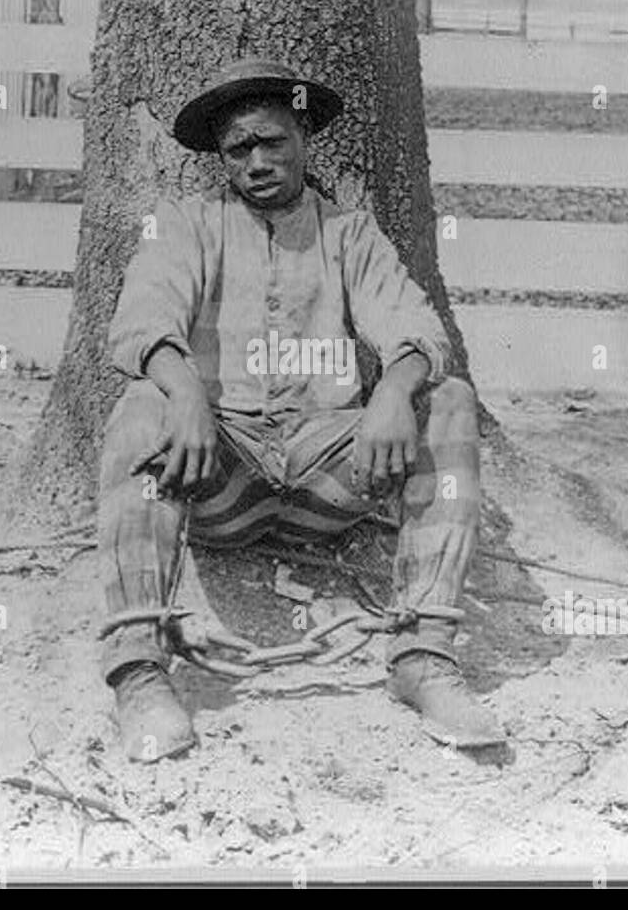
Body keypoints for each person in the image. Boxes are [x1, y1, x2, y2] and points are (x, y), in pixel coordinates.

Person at [97, 58, 505, 762]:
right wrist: (188, 393)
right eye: (238, 149)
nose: (257, 162)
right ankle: (140, 671)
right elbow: (140, 323)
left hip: (329, 479)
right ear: (221, 159)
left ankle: (424, 656)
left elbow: (419, 330)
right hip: (220, 478)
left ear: (304, 136)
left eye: (273, 142)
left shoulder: (348, 233)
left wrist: (390, 391)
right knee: (142, 404)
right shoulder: (188, 223)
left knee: (449, 401)